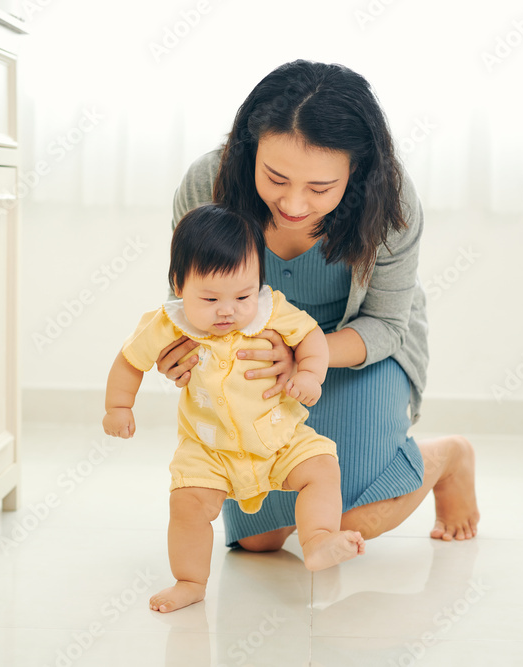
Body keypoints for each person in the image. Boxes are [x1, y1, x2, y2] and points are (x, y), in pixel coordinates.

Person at [157, 59, 479, 553]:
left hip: (359, 350)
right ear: (250, 147)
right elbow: (189, 298)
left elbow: (388, 325)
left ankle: (448, 458)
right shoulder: (210, 183)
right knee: (259, 540)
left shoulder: (391, 202)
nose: (294, 204)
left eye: (321, 188)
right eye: (276, 177)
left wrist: (307, 354)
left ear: (357, 171)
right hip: (262, 365)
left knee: (351, 518)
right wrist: (179, 348)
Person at [103, 204, 366, 613]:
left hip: (280, 435)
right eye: (209, 298)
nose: (228, 310)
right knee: (187, 503)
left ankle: (317, 540)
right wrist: (119, 405)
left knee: (321, 467)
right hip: (209, 450)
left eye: (242, 295)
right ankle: (189, 580)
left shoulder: (270, 310)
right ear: (179, 284)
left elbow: (311, 335)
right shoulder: (167, 323)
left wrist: (311, 373)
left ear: (258, 283)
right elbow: (129, 360)